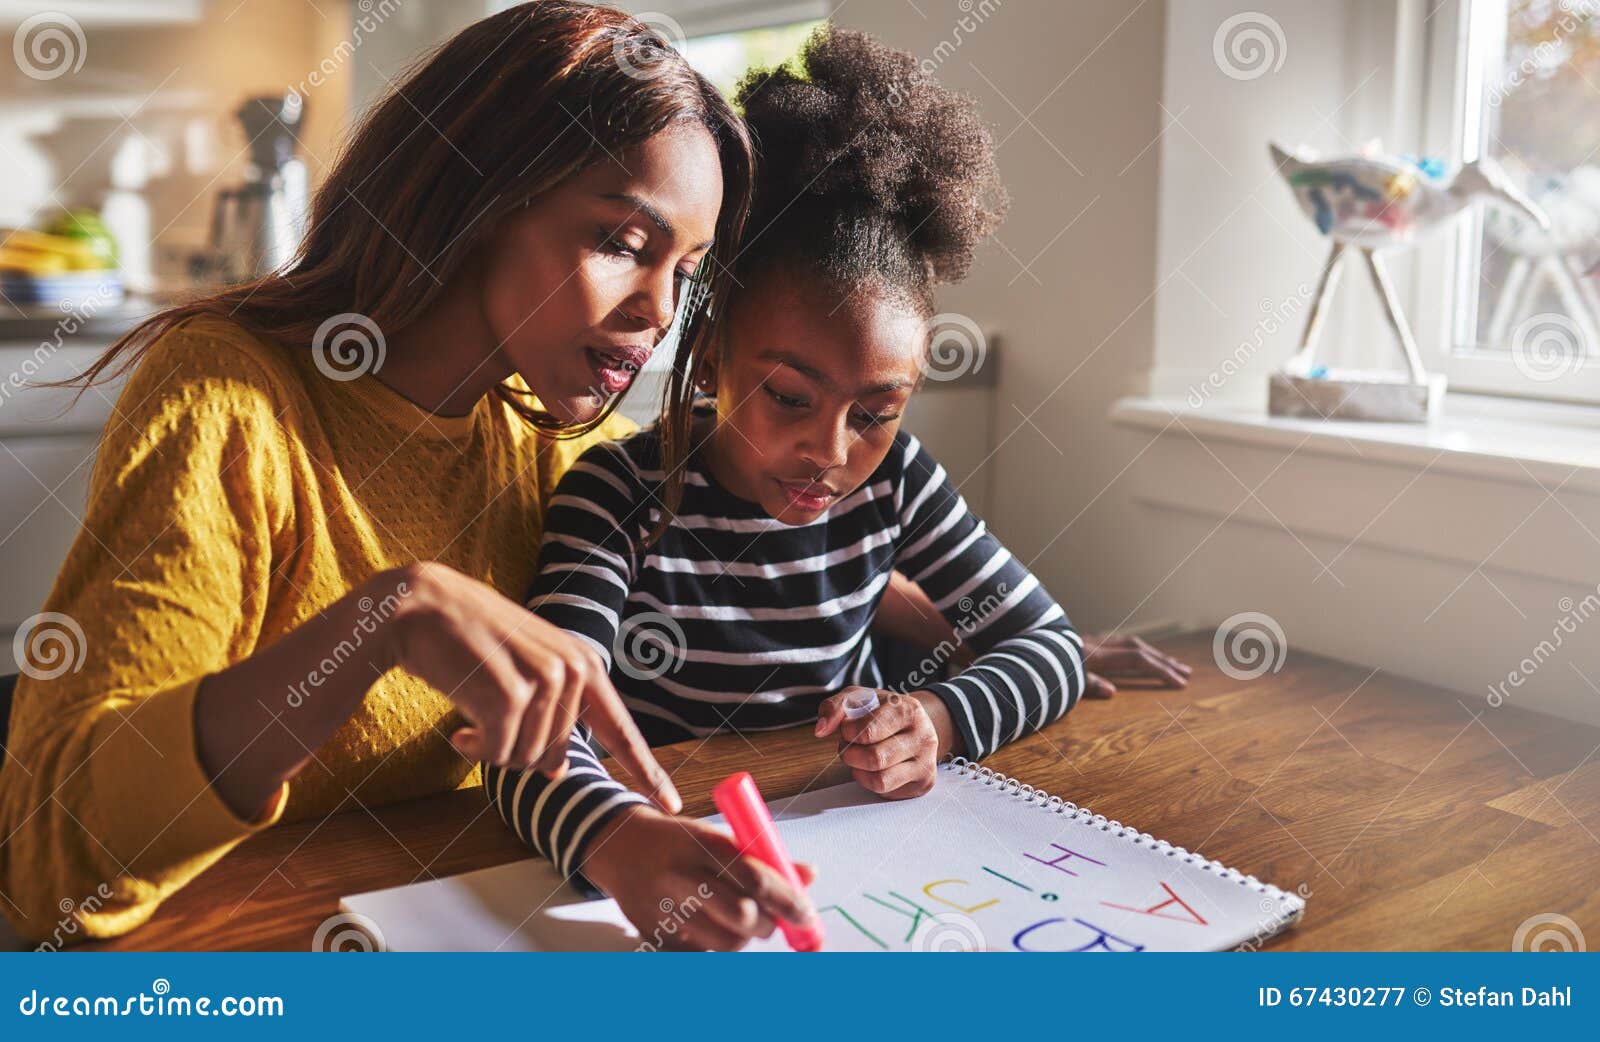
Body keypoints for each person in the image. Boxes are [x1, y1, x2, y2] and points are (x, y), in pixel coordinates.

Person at [0, 1, 742, 944]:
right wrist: (379, 625)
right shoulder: (231, 397)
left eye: (687, 271)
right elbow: (44, 864)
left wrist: (928, 642)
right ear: (478, 198)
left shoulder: (557, 452)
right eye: (624, 245)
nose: (657, 312)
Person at [485, 26, 1127, 952]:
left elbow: (1050, 647)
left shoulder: (897, 482)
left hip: (851, 863)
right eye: (788, 396)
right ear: (710, 359)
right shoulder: (621, 492)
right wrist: (617, 838)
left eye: (876, 408)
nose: (830, 450)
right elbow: (533, 741)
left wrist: (936, 721)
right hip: (669, 867)